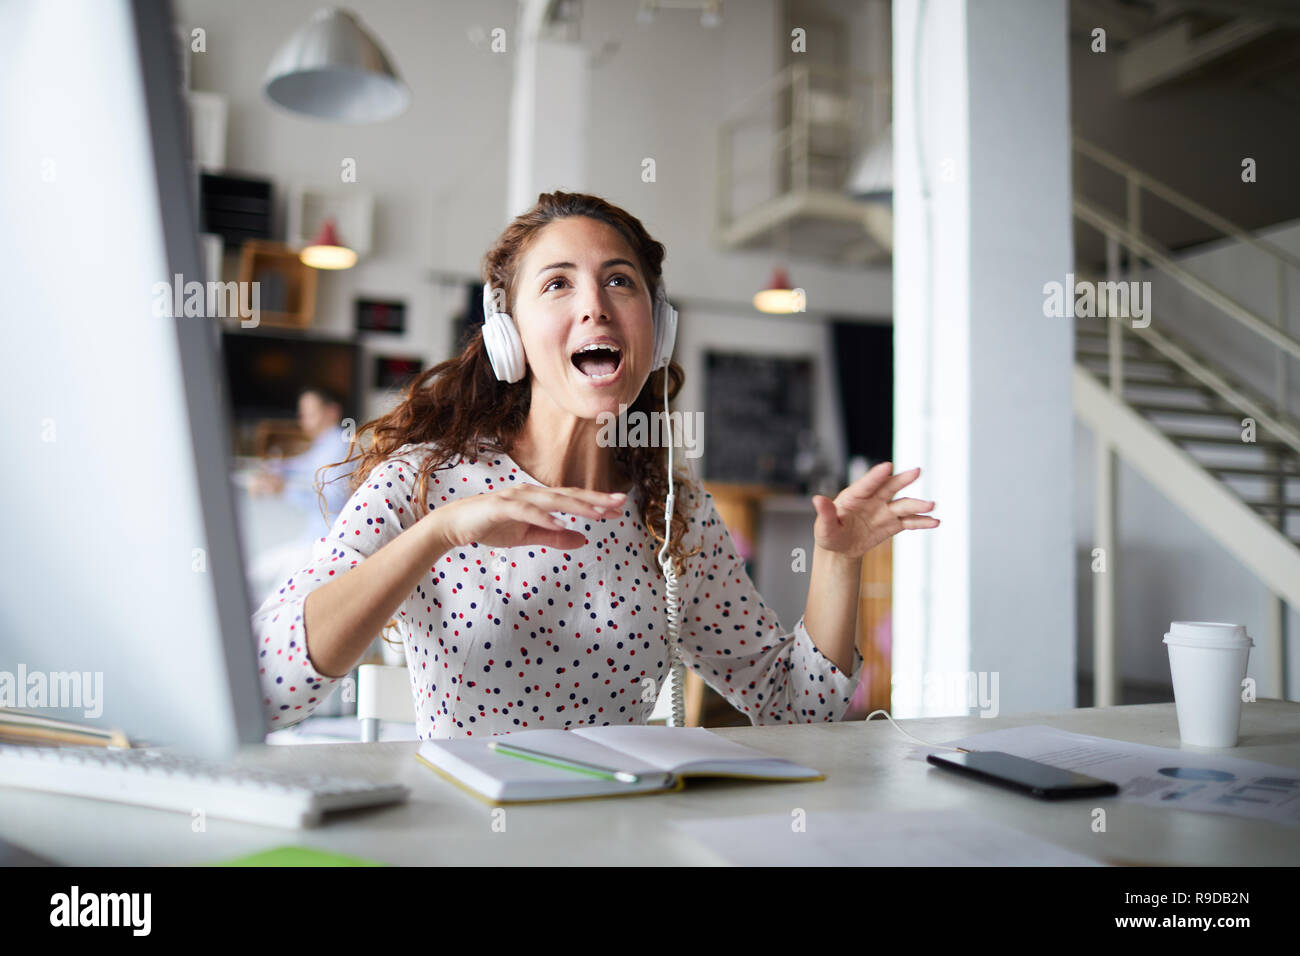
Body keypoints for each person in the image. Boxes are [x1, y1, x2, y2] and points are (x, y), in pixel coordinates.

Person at [250, 191, 939, 737]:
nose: (594, 307)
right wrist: (441, 532)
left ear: (657, 329)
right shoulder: (423, 485)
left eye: (620, 282)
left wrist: (840, 560)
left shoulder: (675, 512)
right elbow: (268, 684)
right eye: (557, 284)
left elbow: (797, 711)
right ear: (508, 335)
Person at [249, 387, 353, 534]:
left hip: (328, 535)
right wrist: (274, 469)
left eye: (311, 414)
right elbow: (303, 465)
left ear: (332, 411)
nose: (303, 421)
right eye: (303, 415)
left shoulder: (338, 445)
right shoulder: (327, 443)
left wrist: (283, 489)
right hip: (320, 533)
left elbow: (333, 501)